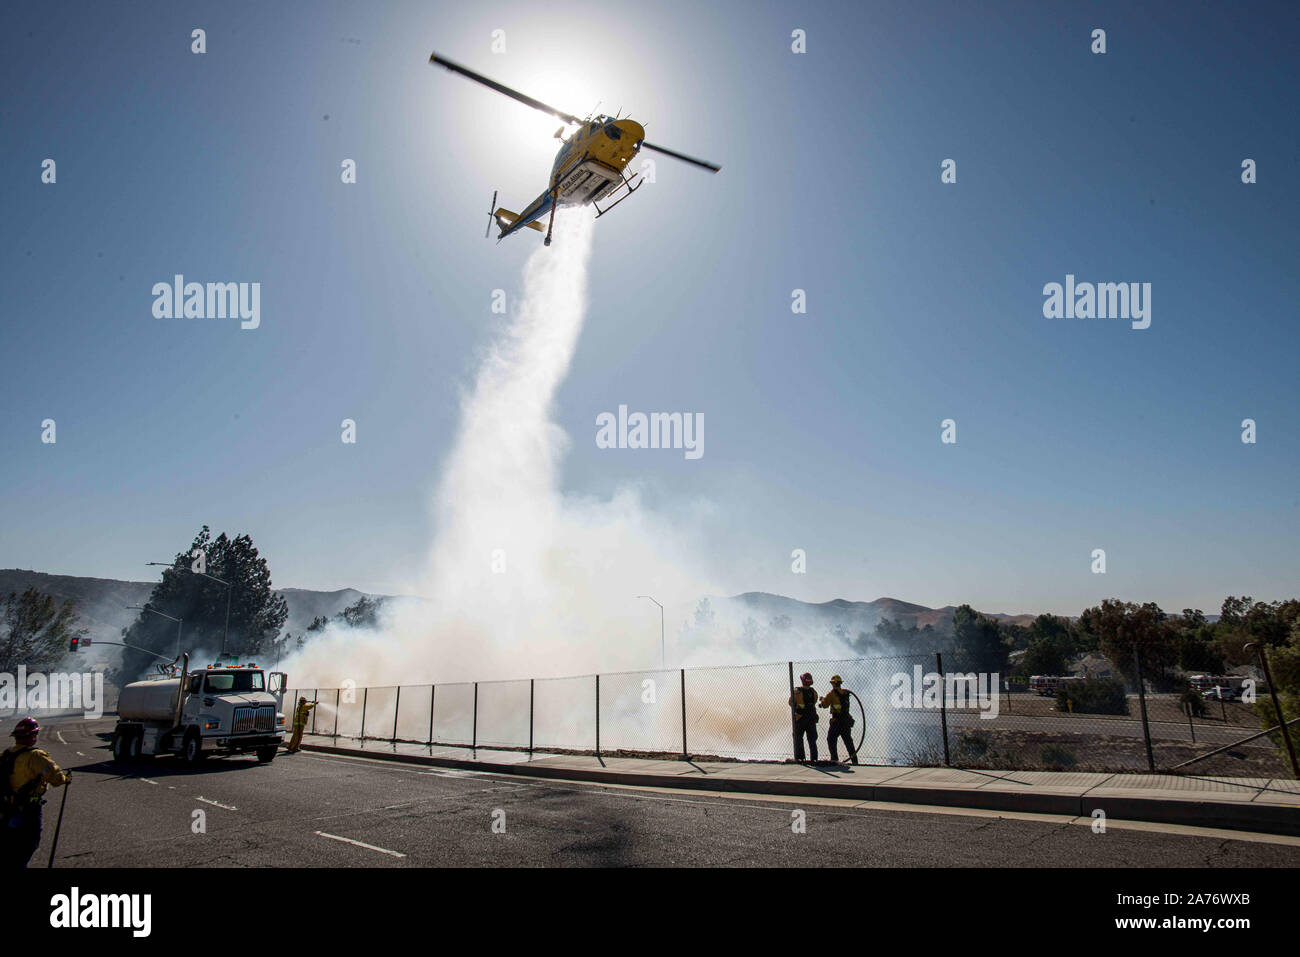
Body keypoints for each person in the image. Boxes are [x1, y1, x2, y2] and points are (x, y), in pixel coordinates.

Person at [2, 717, 69, 868]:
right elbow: (57, 779)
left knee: (8, 848)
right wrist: (66, 778)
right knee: (27, 846)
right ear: (32, 736)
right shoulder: (35, 756)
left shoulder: (5, 755)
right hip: (28, 810)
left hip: (6, 809)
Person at [819, 675, 859, 765]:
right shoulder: (845, 693)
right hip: (846, 721)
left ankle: (834, 759)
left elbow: (825, 704)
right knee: (848, 741)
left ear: (833, 683)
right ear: (840, 683)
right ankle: (855, 761)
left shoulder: (831, 693)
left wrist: (821, 701)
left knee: (831, 739)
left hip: (836, 721)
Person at [788, 672, 819, 762]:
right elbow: (815, 701)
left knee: (798, 737)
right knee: (812, 739)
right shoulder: (813, 692)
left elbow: (790, 703)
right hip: (811, 718)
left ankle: (800, 758)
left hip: (800, 718)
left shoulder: (796, 691)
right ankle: (814, 759)